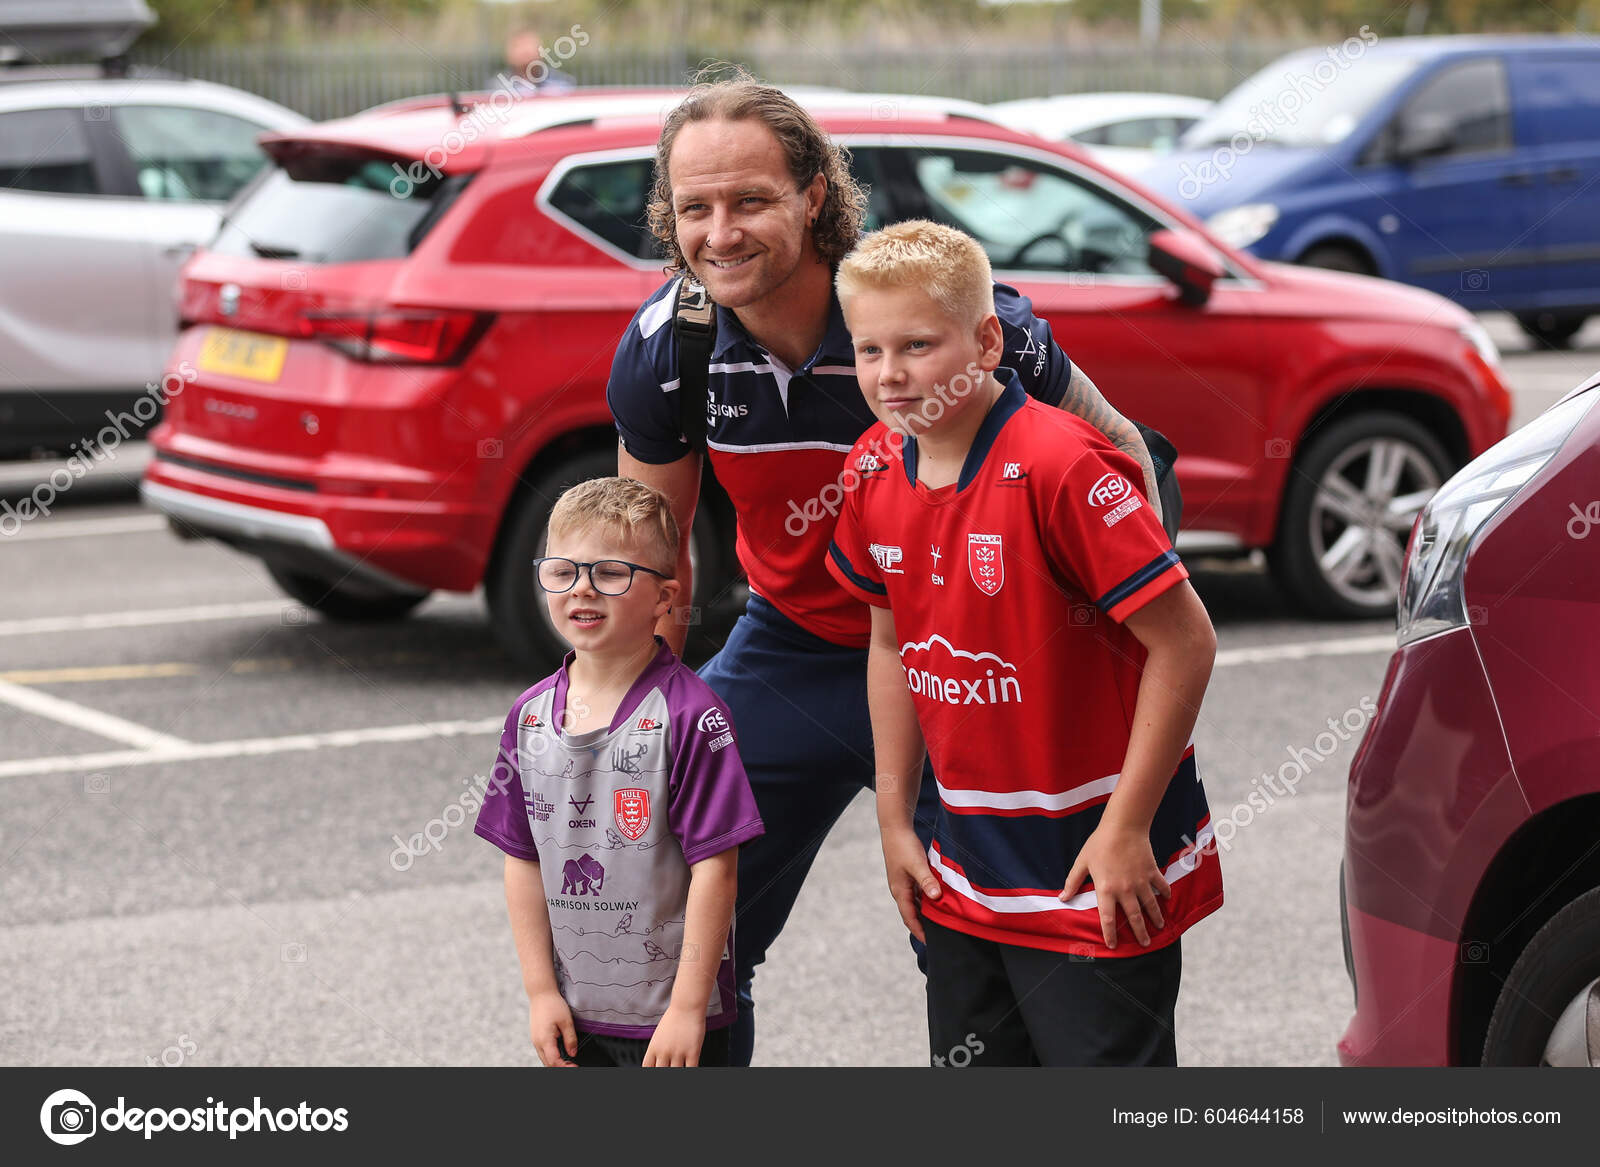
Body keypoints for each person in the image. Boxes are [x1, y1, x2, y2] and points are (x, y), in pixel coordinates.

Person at [606, 68, 1165, 1066]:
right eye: (695, 208)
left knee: (1021, 973)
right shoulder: (668, 350)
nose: (720, 233)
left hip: (976, 665)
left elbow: (1120, 456)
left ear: (815, 194)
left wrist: (1103, 677)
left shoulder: (933, 326)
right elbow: (651, 559)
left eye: (751, 201)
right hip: (793, 650)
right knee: (661, 929)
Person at [825, 220, 1223, 1066]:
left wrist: (1125, 831)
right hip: (963, 866)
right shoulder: (869, 469)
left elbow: (1186, 643)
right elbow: (889, 642)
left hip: (1093, 867)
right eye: (868, 350)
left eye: (918, 345)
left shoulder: (1061, 465)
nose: (890, 375)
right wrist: (895, 818)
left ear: (987, 339)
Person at [473, 477, 764, 1067]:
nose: (583, 589)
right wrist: (539, 993)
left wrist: (686, 1010)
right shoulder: (527, 718)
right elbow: (522, 860)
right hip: (578, 1017)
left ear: (665, 598)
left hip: (677, 1025)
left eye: (611, 573)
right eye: (562, 571)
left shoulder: (692, 716)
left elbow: (717, 873)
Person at [495, 29, 576, 95]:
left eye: (529, 45)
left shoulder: (561, 83)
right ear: (509, 54)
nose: (525, 51)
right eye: (519, 46)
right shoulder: (497, 88)